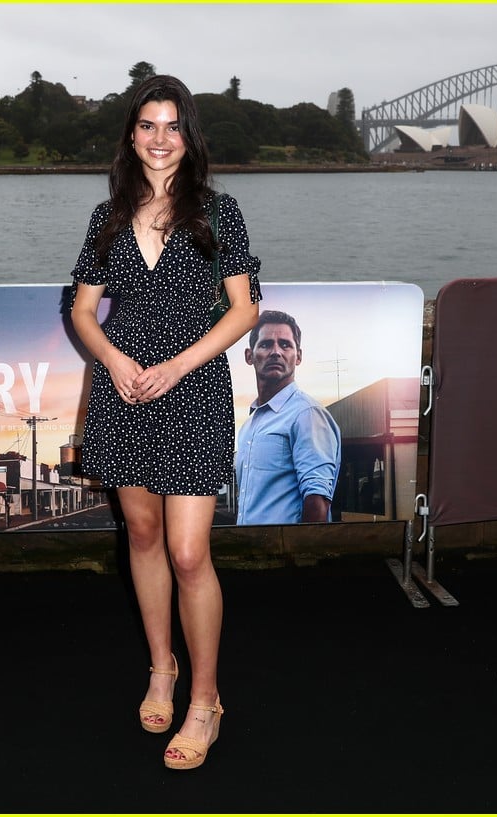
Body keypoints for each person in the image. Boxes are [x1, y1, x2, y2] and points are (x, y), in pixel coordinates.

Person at [68, 74, 260, 771]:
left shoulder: (219, 212)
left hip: (194, 388)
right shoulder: (107, 215)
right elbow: (83, 310)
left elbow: (244, 310)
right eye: (147, 125)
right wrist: (115, 361)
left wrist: (177, 365)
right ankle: (162, 668)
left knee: (187, 553)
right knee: (142, 533)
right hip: (123, 389)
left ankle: (205, 699)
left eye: (172, 125)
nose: (159, 138)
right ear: (131, 136)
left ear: (190, 135)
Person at [235, 310, 342, 525]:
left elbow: (318, 502)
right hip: (249, 552)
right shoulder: (248, 426)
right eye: (266, 344)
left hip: (285, 554)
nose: (276, 352)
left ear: (298, 356)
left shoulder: (306, 415)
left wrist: (300, 556)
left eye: (285, 344)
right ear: (249, 356)